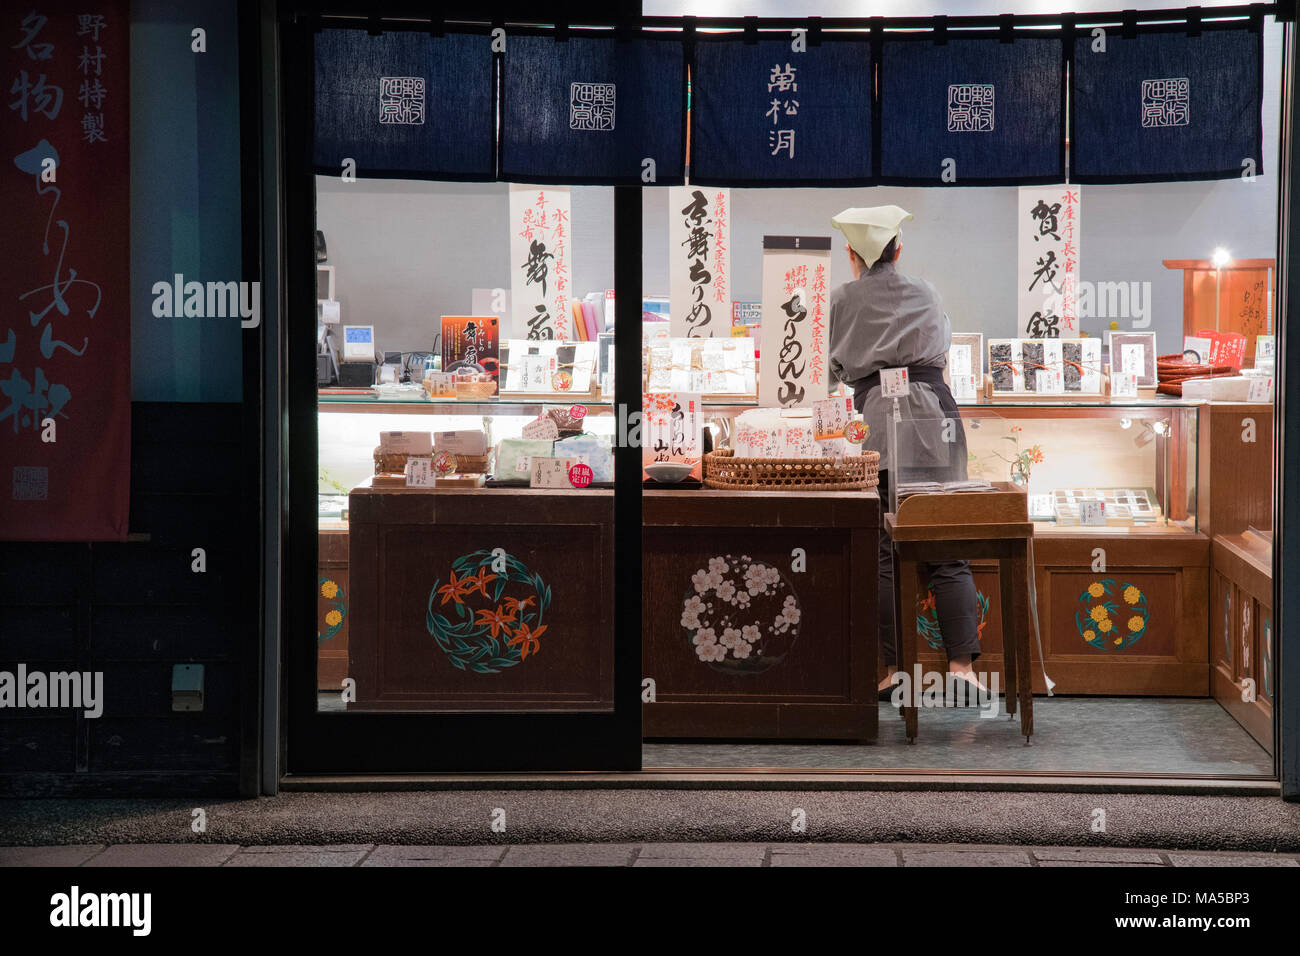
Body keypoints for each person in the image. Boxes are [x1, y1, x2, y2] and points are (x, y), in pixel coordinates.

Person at [827, 205, 983, 701]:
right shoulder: (927, 291)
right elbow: (942, 347)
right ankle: (962, 668)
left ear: (852, 254)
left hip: (874, 422)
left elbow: (835, 365)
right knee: (946, 546)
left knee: (883, 553)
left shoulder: (842, 300)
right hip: (935, 417)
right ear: (898, 249)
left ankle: (896, 670)